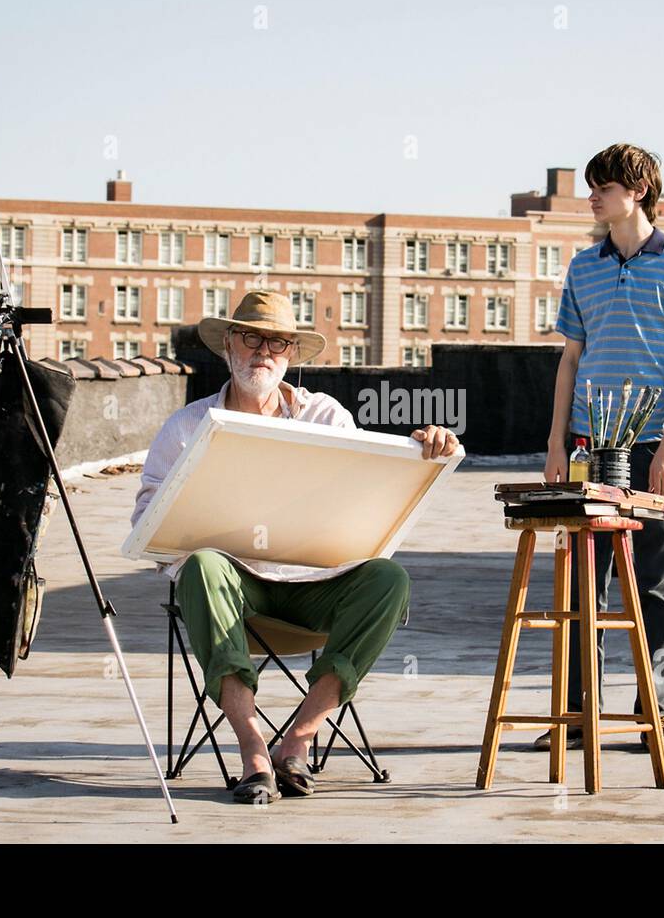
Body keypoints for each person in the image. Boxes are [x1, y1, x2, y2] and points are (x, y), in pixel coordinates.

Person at [132, 290, 459, 803]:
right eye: (252, 338)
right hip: (235, 595)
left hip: (315, 589)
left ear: (290, 355)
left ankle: (299, 739)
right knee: (201, 566)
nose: (264, 350)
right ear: (228, 346)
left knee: (388, 579)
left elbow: (367, 491)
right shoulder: (187, 426)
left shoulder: (325, 417)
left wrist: (429, 447)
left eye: (278, 342)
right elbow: (148, 526)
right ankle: (253, 750)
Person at [538, 144, 664, 753]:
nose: (593, 196)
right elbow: (569, 359)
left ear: (636, 190)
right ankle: (575, 714)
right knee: (583, 585)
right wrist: (558, 442)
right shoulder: (583, 267)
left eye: (604, 186)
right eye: (592, 187)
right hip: (590, 446)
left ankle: (657, 713)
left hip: (652, 449)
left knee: (656, 584)